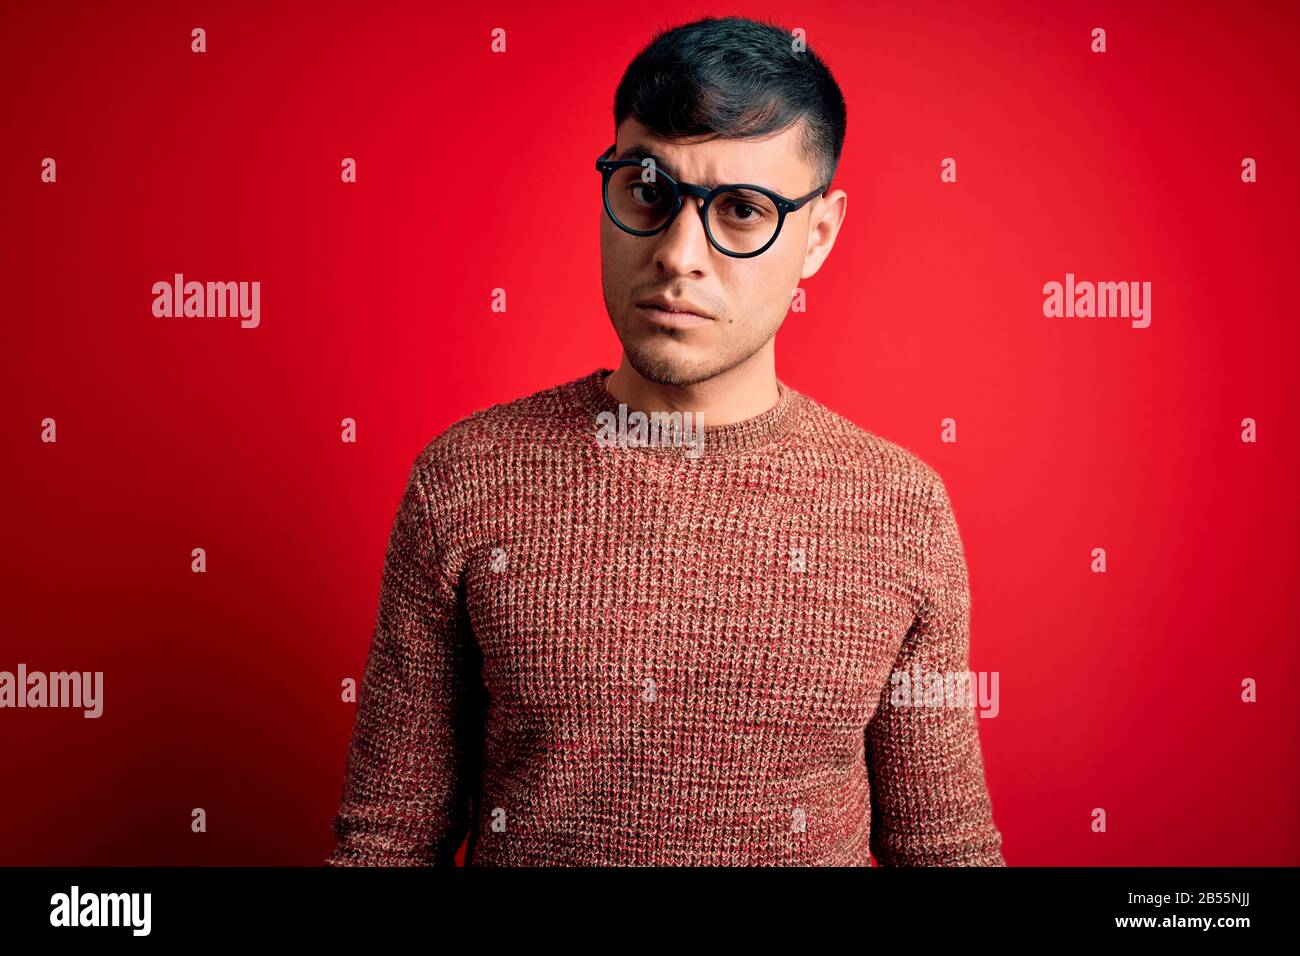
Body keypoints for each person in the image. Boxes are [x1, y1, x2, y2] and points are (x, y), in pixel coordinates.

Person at [325, 14, 1004, 867]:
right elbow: (387, 845)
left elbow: (945, 852)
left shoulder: (901, 509)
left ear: (819, 235)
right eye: (648, 190)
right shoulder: (465, 479)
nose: (681, 254)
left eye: (743, 210)